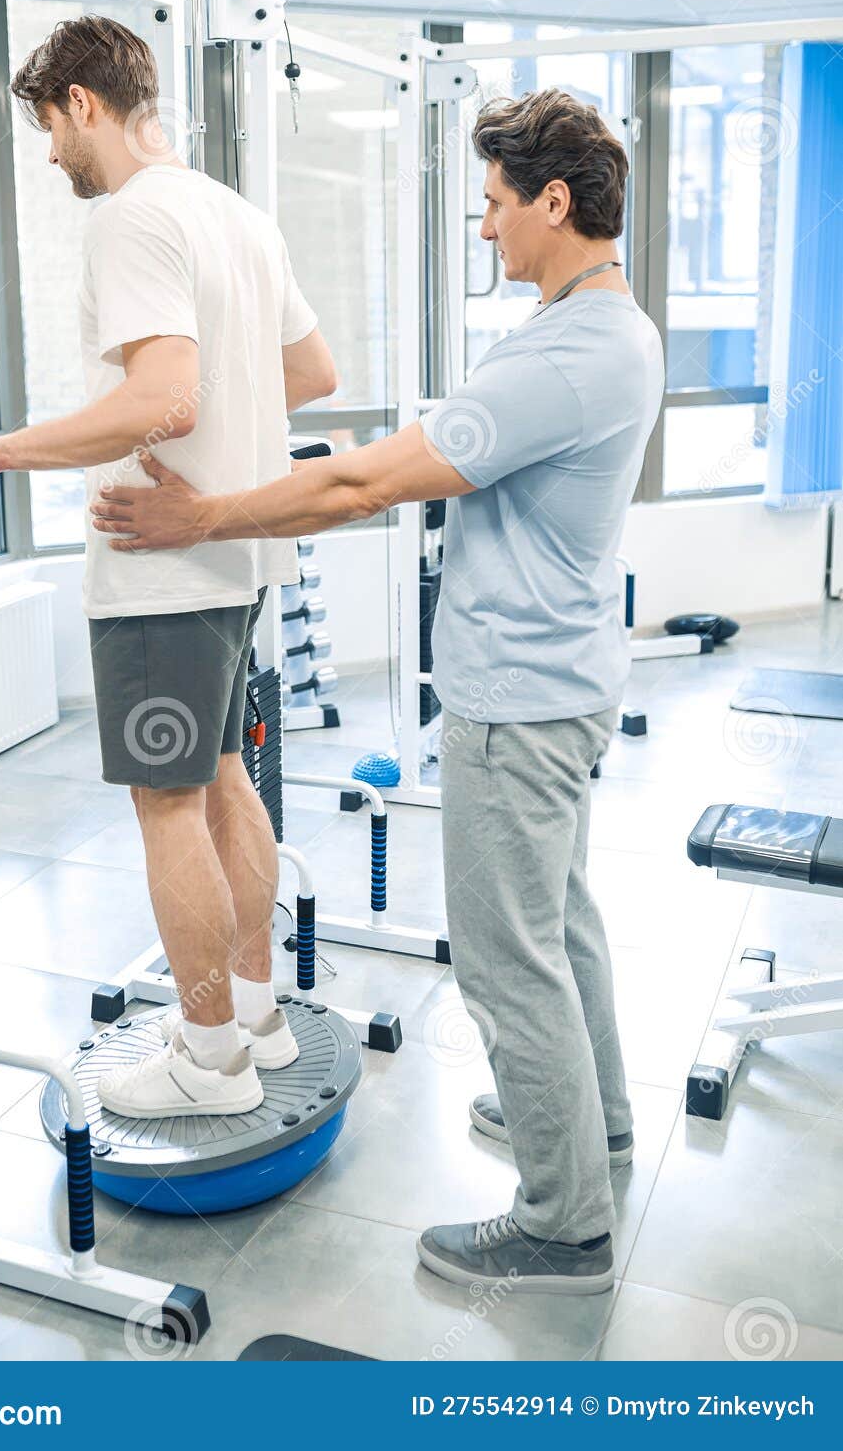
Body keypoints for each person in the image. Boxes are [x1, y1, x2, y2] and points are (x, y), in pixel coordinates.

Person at [88, 88, 665, 1295]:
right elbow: (412, 452)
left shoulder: (572, 350)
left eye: (499, 207)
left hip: (518, 701)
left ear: (556, 202)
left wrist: (204, 512)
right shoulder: (606, 326)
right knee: (562, 925)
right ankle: (594, 1133)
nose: (489, 229)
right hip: (555, 682)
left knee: (511, 959)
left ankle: (565, 1226)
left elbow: (363, 487)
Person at [0, 15, 337, 1121]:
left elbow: (164, 401)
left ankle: (205, 1061)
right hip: (232, 558)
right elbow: (314, 372)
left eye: (50, 128)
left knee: (165, 804)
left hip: (160, 565)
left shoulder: (134, 217)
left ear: (84, 104)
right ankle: (256, 1016)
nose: (51, 157)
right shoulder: (236, 214)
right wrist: (231, 447)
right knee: (225, 781)